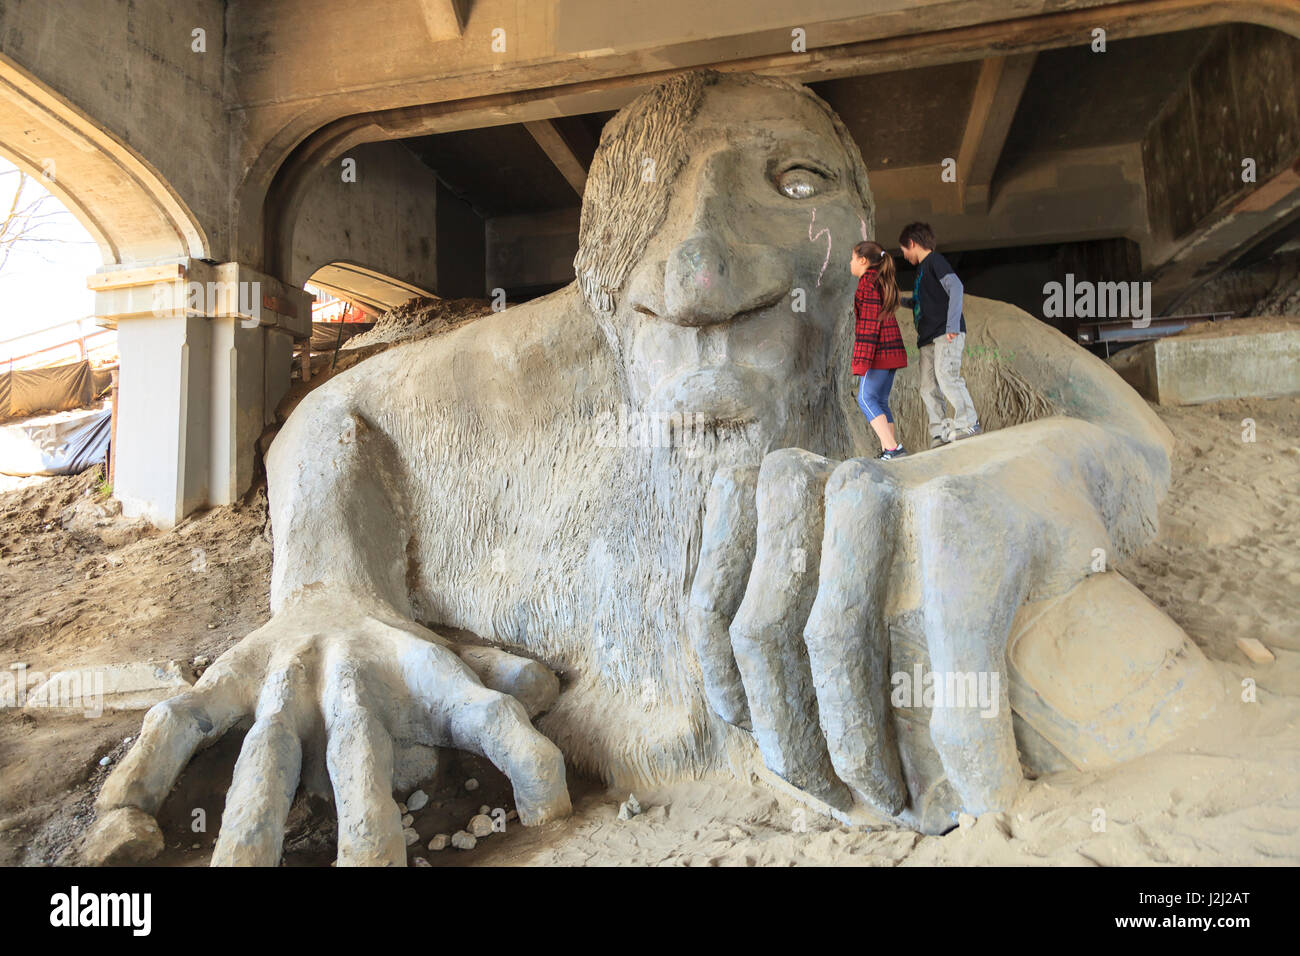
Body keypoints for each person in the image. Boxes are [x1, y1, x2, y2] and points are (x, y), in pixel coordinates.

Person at [898, 222, 981, 447]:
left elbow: (955, 286)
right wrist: (899, 301)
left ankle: (968, 423)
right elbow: (922, 302)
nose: (904, 255)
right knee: (928, 386)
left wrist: (952, 325)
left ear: (912, 243)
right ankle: (940, 432)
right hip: (926, 338)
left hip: (945, 332)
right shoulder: (921, 271)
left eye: (904, 250)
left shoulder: (934, 261)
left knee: (947, 376)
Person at [849, 240, 907, 459]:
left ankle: (893, 448)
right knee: (880, 401)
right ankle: (888, 451)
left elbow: (868, 325)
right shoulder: (880, 280)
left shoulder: (867, 283)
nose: (850, 263)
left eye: (852, 258)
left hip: (878, 353)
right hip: (891, 352)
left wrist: (861, 362)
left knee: (865, 399)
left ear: (863, 260)